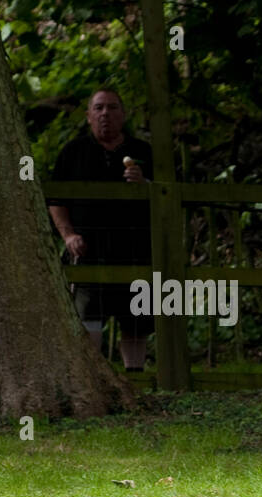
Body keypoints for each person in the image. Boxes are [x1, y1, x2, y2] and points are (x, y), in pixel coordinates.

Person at [48, 88, 153, 371]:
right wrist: (68, 235)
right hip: (89, 250)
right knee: (89, 316)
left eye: (112, 107)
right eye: (98, 108)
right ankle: (95, 379)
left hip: (134, 249)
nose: (105, 113)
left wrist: (144, 186)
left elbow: (167, 197)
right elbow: (56, 201)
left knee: (135, 319)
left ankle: (135, 377)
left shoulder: (143, 152)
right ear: (88, 116)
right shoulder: (73, 152)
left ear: (123, 114)